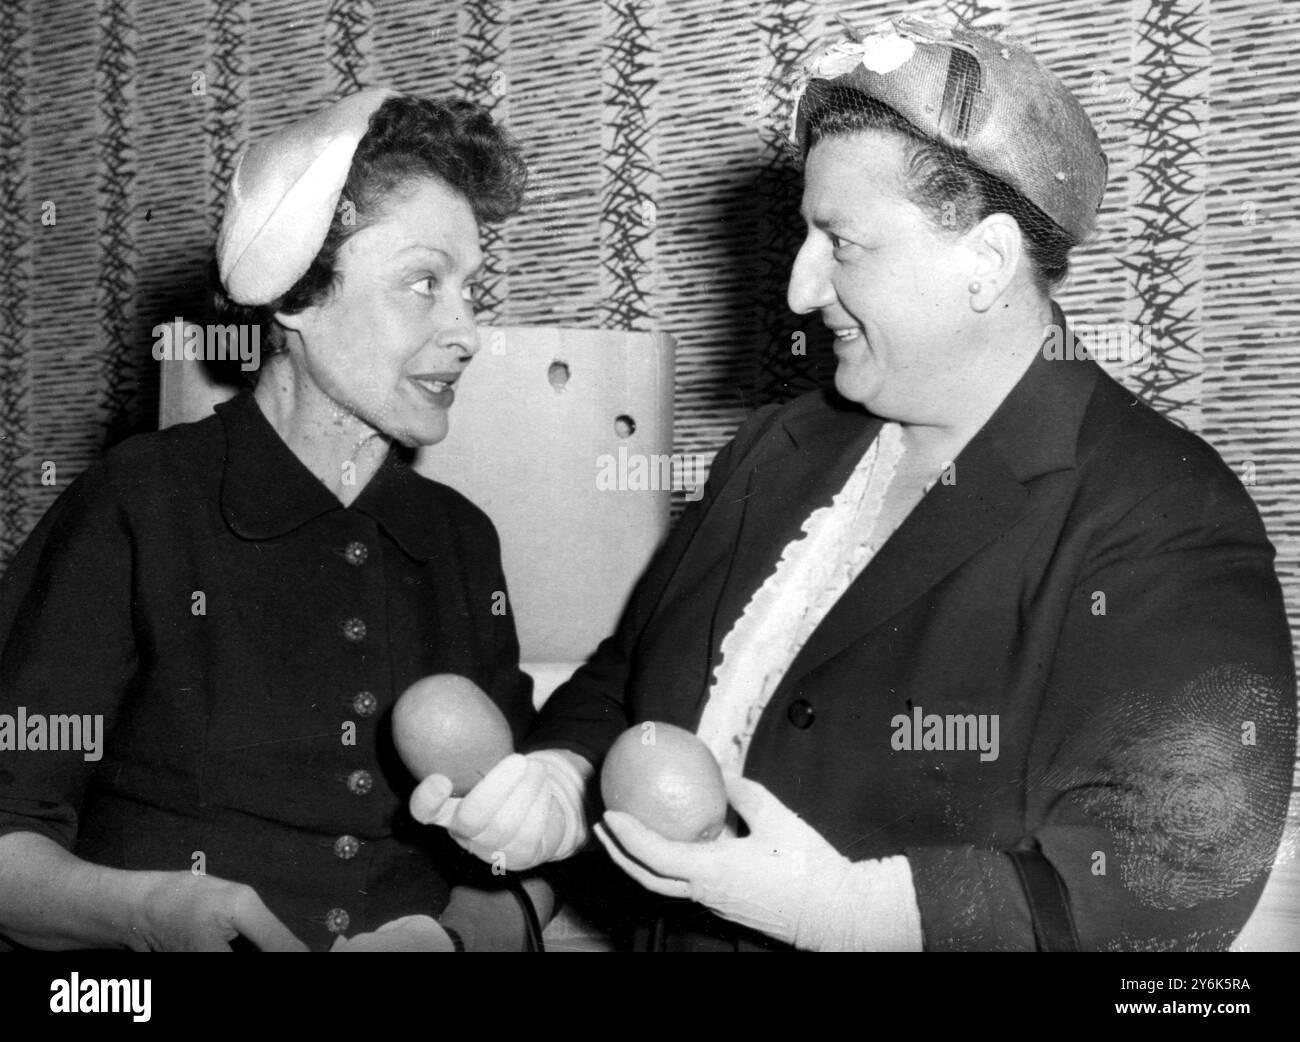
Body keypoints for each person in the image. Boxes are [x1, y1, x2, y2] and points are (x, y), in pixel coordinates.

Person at [412, 14, 1296, 951]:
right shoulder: (778, 448)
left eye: (843, 244)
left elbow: (1178, 874)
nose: (798, 291)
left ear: (986, 263)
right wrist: (560, 782)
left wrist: (863, 915)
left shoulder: (1161, 510)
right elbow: (629, 676)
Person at [0, 89, 548, 951]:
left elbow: (530, 837)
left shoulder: (459, 539)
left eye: (469, 289)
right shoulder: (140, 502)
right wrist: (150, 918)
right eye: (423, 282)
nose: (467, 330)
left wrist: (460, 936)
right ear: (295, 295)